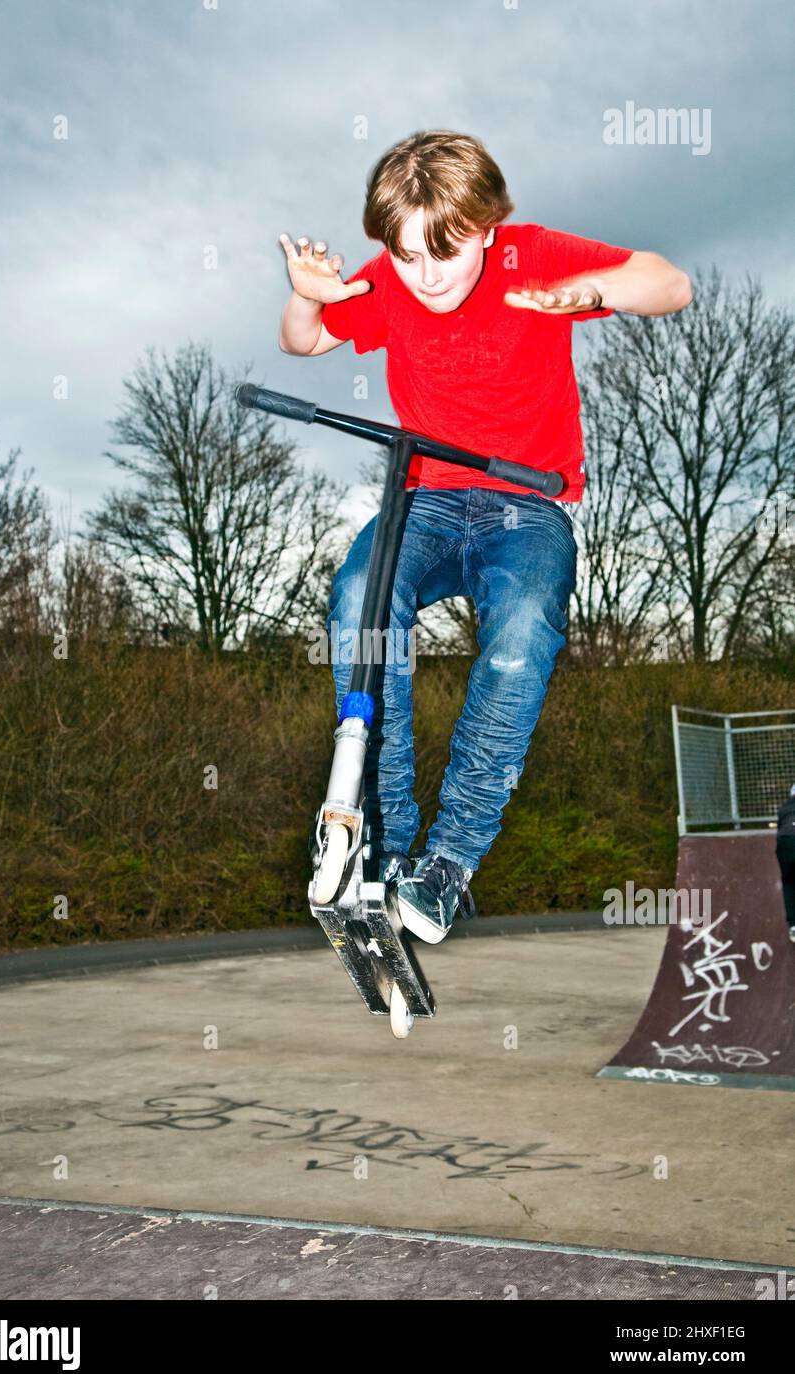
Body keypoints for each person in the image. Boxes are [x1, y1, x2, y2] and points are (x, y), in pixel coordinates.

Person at [278, 129, 692, 944]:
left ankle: (450, 860)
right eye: (404, 255)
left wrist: (591, 289)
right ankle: (388, 839)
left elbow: (669, 282)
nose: (425, 276)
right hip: (427, 501)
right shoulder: (392, 282)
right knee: (360, 592)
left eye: (444, 251)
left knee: (523, 627)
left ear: (487, 225)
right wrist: (306, 295)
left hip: (526, 508)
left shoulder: (530, 255)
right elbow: (305, 340)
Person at [776, 782, 795, 942]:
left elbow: (779, 832)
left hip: (785, 844)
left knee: (788, 882)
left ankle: (794, 926)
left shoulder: (784, 809)